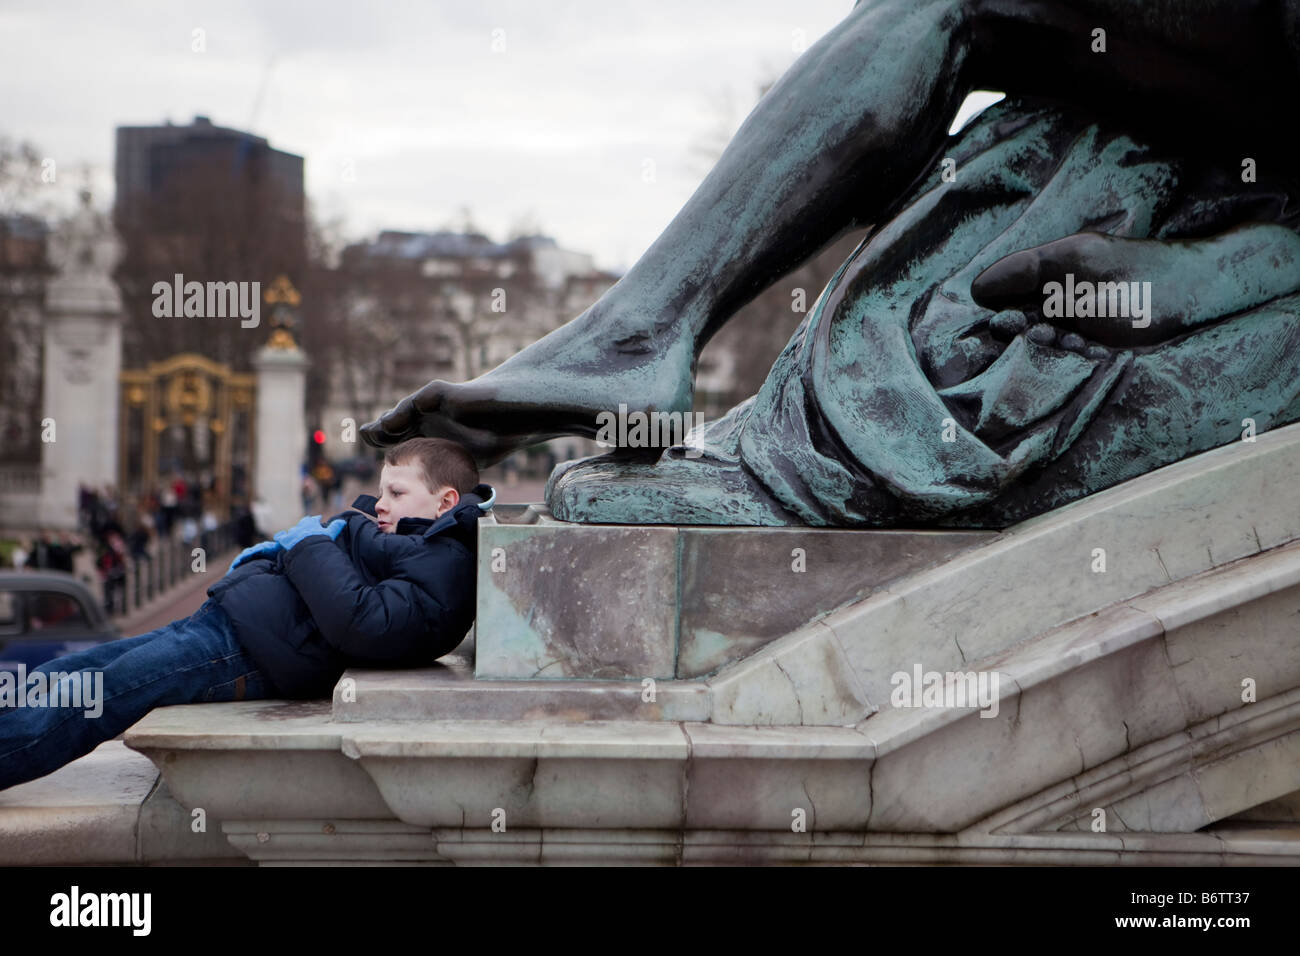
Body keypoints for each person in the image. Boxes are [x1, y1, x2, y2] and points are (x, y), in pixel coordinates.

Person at [0, 437, 497, 792]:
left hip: (240, 656)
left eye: (397, 493)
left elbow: (362, 621)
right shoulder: (409, 542)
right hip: (225, 625)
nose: (380, 504)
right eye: (382, 490)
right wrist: (271, 557)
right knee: (71, 673)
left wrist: (306, 546)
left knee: (98, 698)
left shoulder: (444, 570)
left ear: (445, 500)